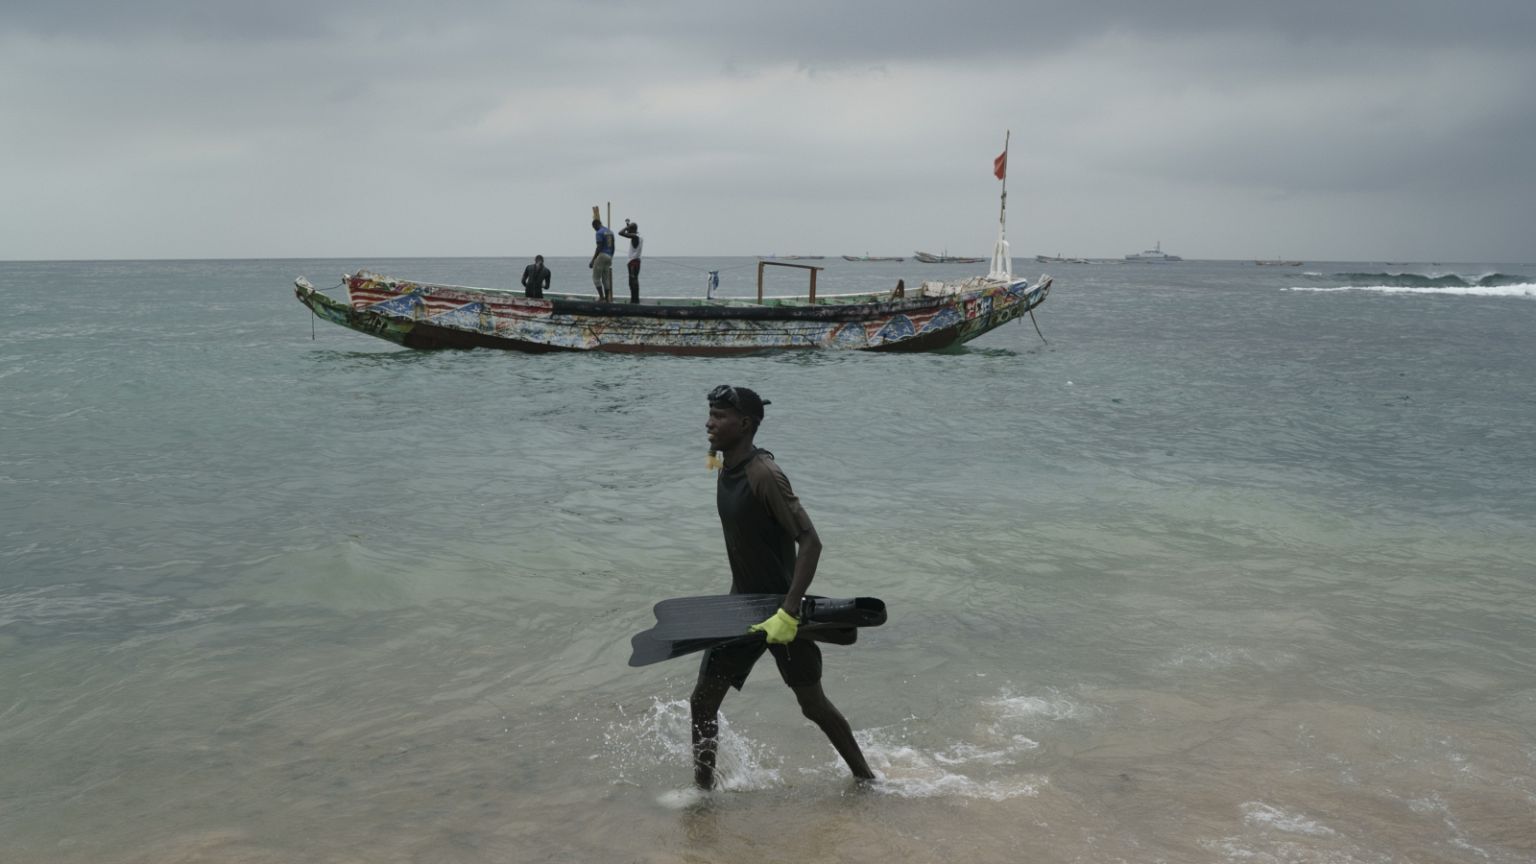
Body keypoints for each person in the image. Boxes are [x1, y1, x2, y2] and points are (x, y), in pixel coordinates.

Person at [691, 384, 875, 790]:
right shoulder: (725, 465)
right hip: (742, 610)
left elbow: (811, 542)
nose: (709, 422)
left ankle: (867, 780)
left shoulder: (765, 474)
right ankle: (701, 797)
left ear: (745, 424)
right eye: (710, 413)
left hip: (781, 611)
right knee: (702, 702)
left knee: (812, 705)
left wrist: (789, 613)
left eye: (719, 416)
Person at [617, 220, 643, 303]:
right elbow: (629, 233)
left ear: (632, 230)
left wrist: (626, 227)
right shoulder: (638, 236)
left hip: (633, 262)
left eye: (630, 229)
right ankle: (635, 299)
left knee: (632, 281)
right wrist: (629, 227)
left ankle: (634, 300)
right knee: (634, 281)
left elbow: (620, 233)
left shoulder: (635, 237)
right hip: (637, 261)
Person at [589, 218, 615, 301]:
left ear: (596, 224)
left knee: (596, 278)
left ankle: (601, 297)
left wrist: (593, 260)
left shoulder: (599, 232)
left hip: (602, 255)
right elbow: (613, 246)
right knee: (606, 279)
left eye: (594, 227)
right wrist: (611, 256)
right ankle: (607, 298)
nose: (594, 229)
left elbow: (599, 247)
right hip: (609, 256)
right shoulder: (610, 232)